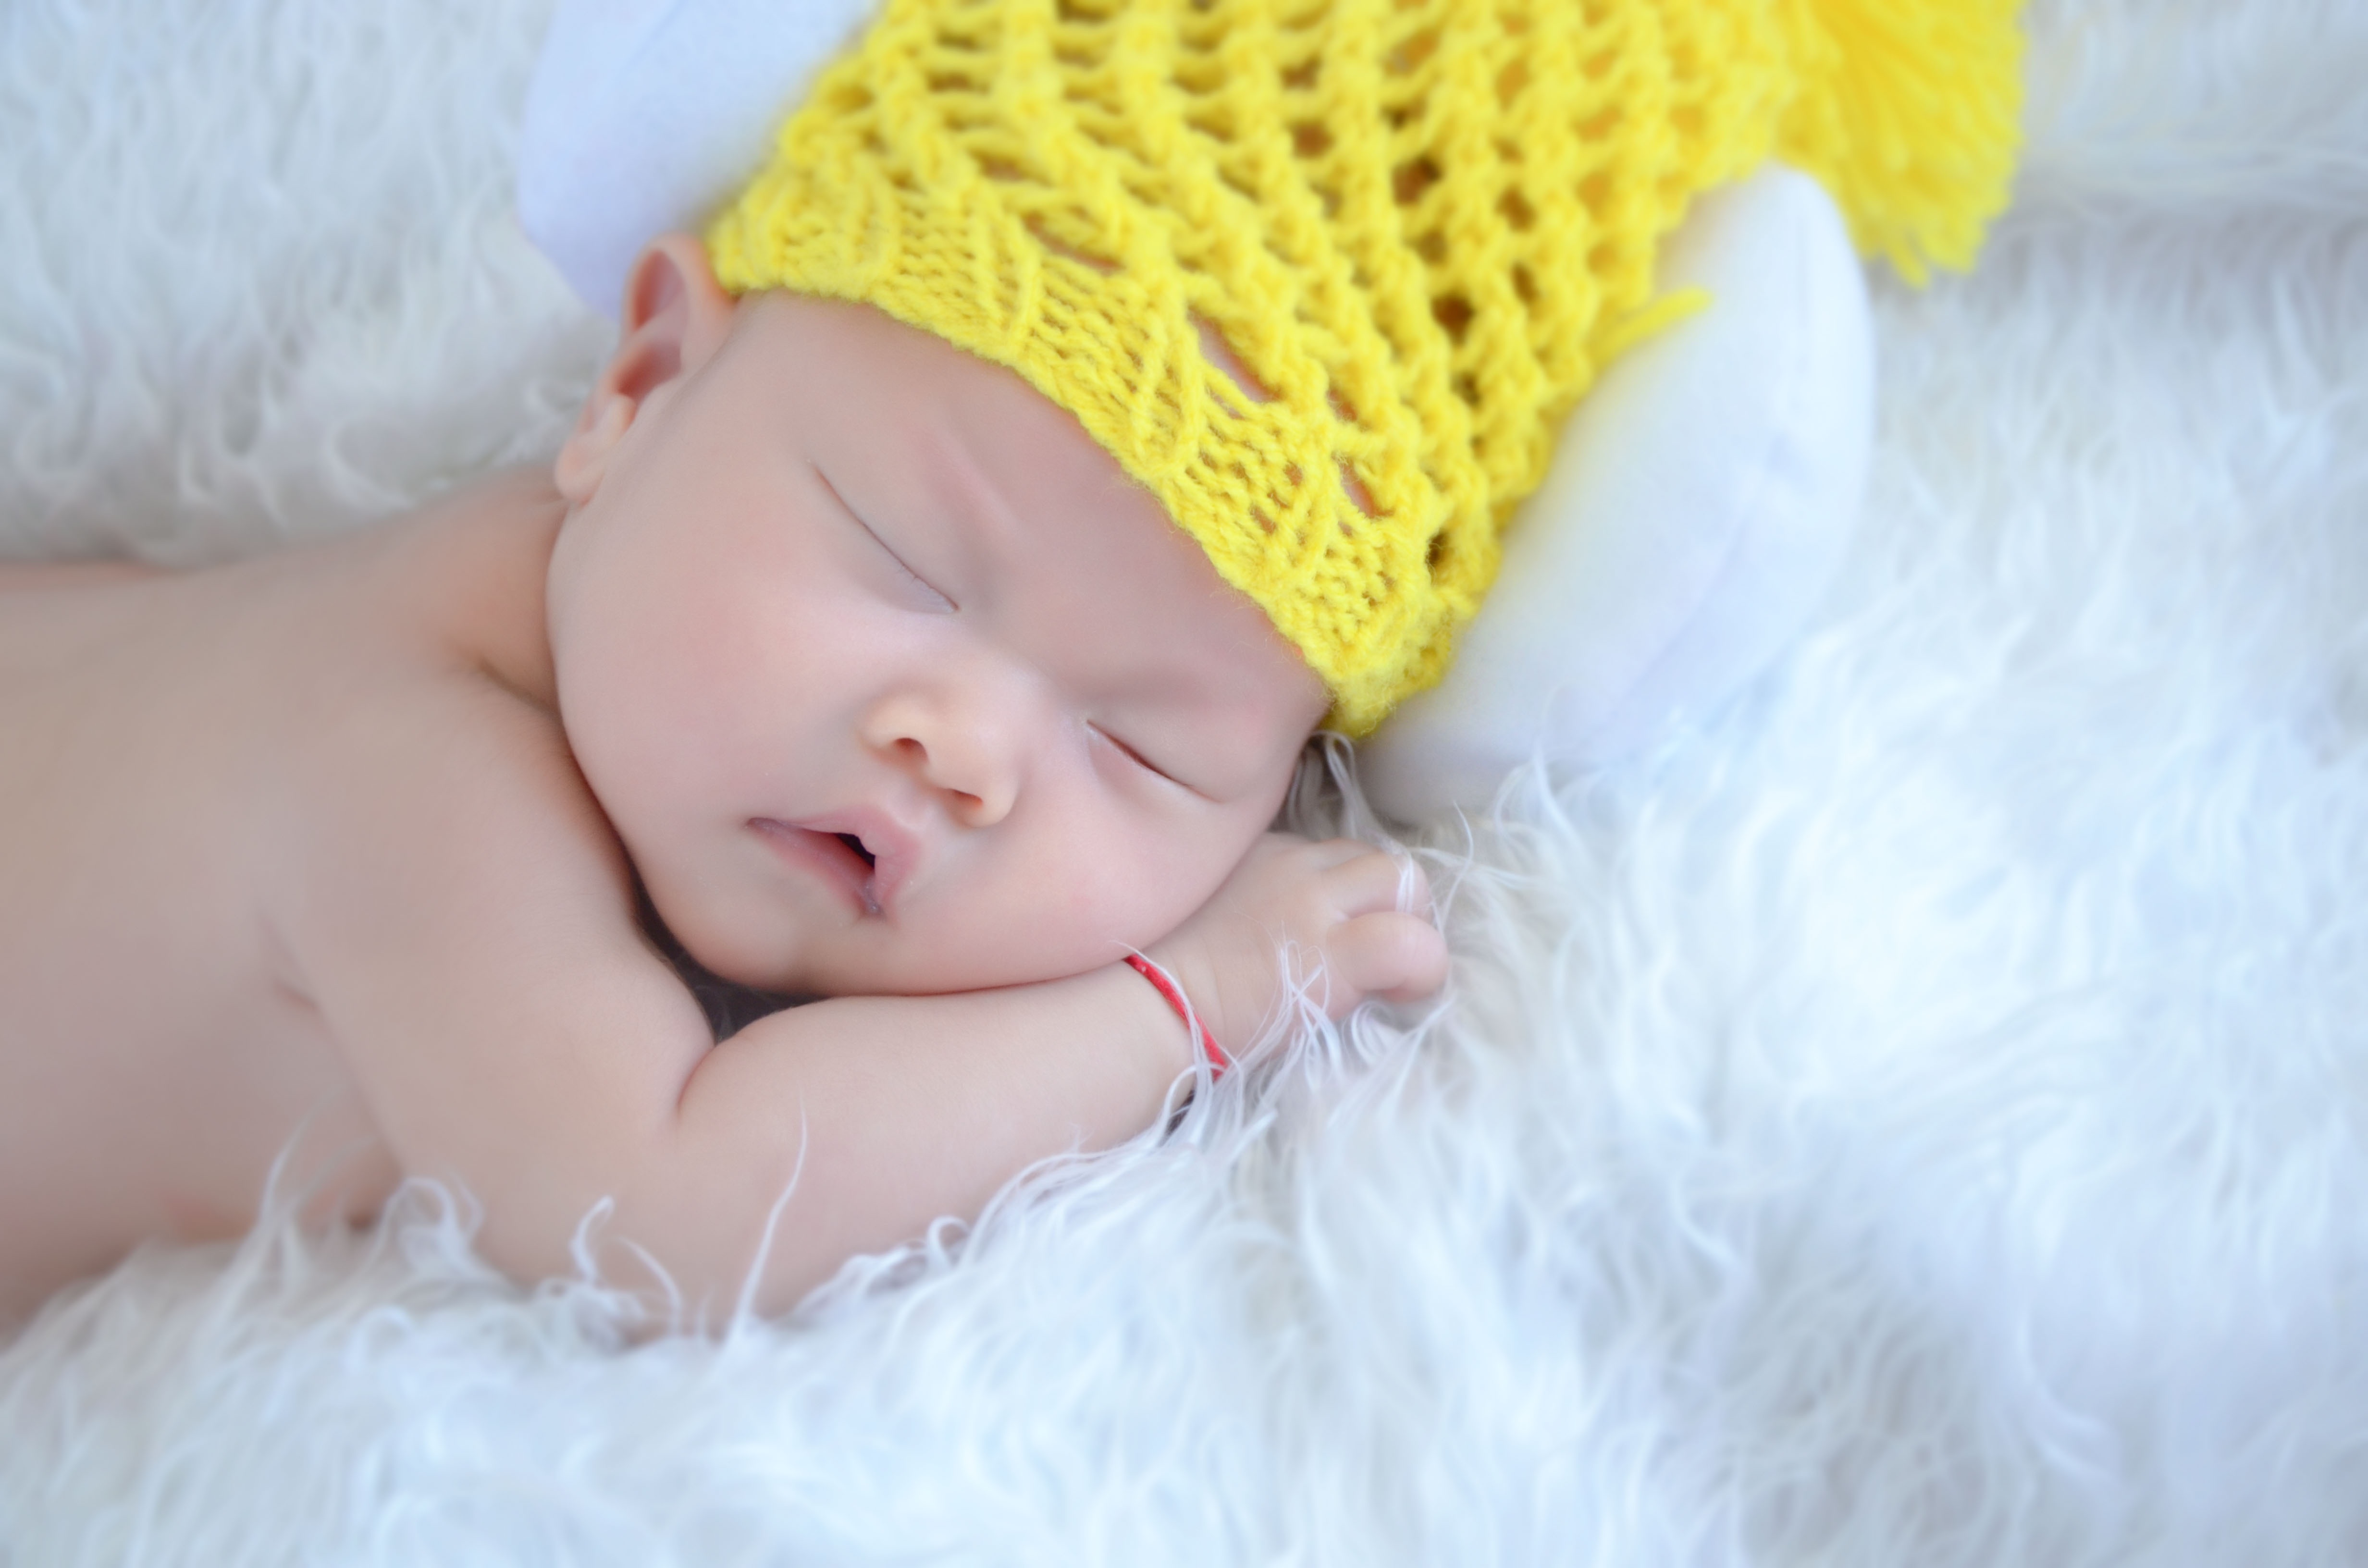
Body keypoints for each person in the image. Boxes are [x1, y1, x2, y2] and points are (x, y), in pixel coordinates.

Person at [0, 0, 2021, 1328]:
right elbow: (663, 1206)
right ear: (636, 380)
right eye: (901, 559)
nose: (962, 747)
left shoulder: (621, 622)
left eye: (1144, 751)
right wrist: (1197, 991)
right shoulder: (411, 783)